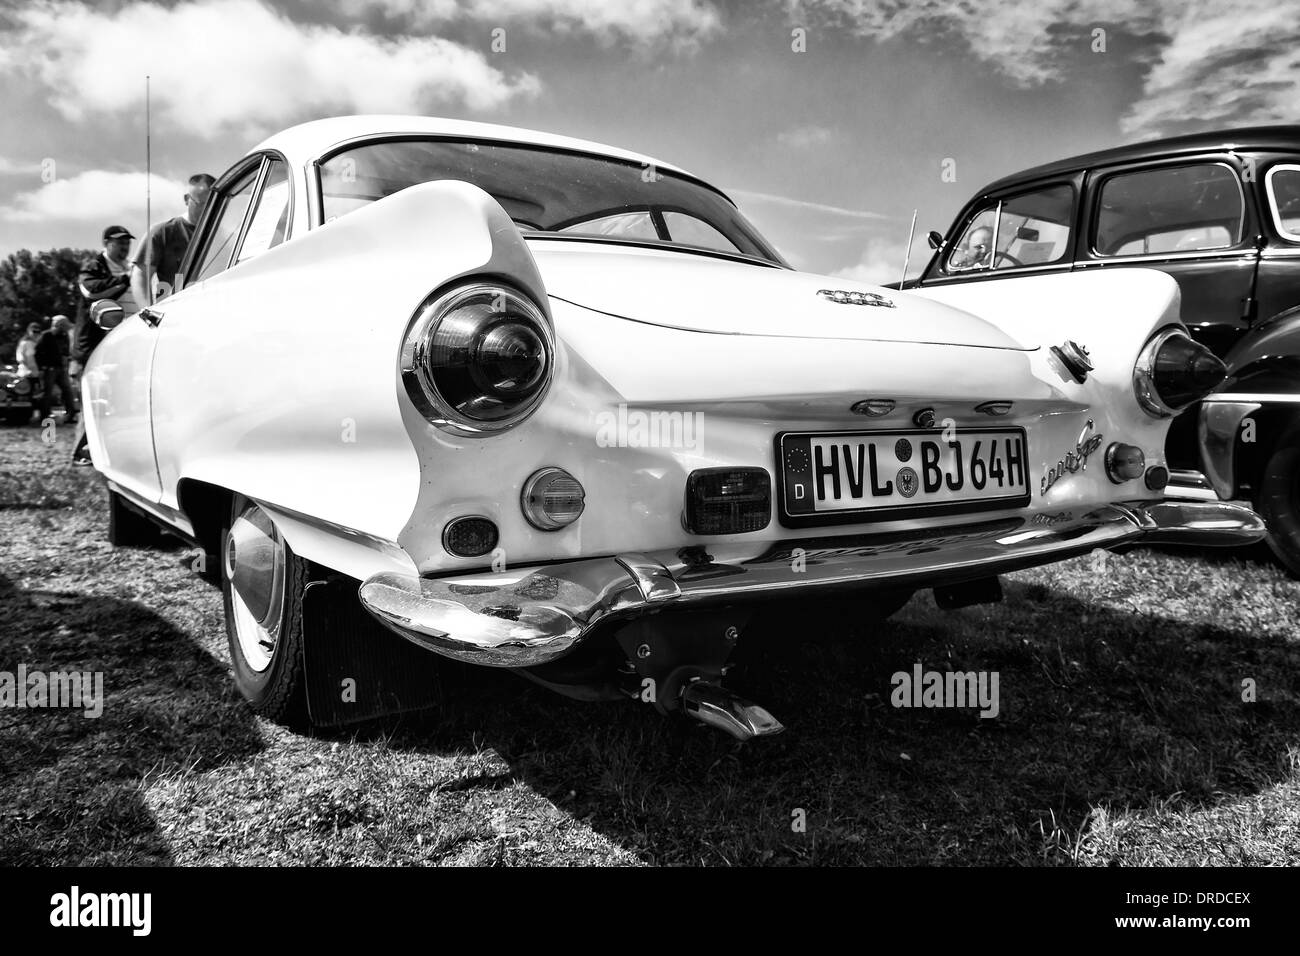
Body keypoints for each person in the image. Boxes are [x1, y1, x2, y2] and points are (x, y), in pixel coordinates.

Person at [70, 226, 135, 463]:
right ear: (106, 243)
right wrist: (124, 280)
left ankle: (110, 448)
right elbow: (90, 290)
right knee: (94, 396)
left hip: (123, 342)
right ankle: (82, 451)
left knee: (119, 398)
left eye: (127, 242)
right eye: (119, 242)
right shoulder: (95, 265)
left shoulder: (132, 267)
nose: (125, 246)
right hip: (94, 345)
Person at [131, 173, 214, 306]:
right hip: (171, 314)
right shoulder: (161, 232)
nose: (205, 210)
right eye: (200, 204)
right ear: (187, 199)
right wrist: (147, 313)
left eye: (211, 204)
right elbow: (141, 276)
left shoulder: (223, 236)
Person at [35, 314, 77, 425]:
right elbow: (38, 353)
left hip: (61, 368)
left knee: (68, 391)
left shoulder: (64, 336)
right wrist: (41, 367)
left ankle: (70, 415)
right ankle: (44, 416)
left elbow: (66, 351)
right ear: (58, 325)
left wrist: (66, 358)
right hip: (49, 369)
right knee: (47, 393)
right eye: (64, 326)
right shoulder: (46, 336)